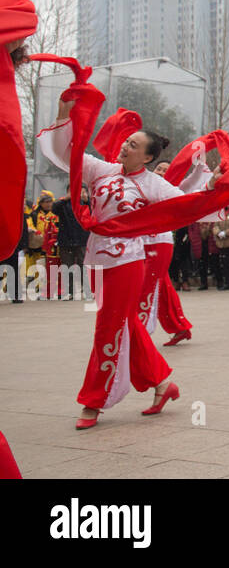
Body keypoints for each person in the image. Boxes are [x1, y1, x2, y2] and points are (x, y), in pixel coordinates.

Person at [38, 107, 185, 429]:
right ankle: (162, 383)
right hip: (97, 260)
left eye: (133, 145)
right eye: (127, 141)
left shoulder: (152, 184)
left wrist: (217, 188)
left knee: (107, 327)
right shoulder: (102, 170)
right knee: (126, 324)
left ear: (146, 157)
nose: (125, 146)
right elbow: (69, 154)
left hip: (128, 262)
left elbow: (187, 204)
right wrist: (65, 114)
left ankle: (94, 401)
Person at [138, 161, 194, 345]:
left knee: (149, 287)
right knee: (162, 288)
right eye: (159, 169)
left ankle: (142, 331)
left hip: (158, 241)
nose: (161, 172)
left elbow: (193, 185)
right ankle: (180, 326)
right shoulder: (145, 185)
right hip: (143, 241)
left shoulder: (171, 189)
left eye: (166, 170)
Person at [52, 185, 89, 295]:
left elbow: (95, 212)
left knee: (84, 265)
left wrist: (87, 201)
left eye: (82, 192)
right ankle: (69, 291)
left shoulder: (87, 203)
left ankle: (87, 289)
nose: (79, 194)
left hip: (82, 239)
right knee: (67, 266)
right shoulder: (63, 204)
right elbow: (54, 209)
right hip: (66, 240)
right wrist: (67, 198)